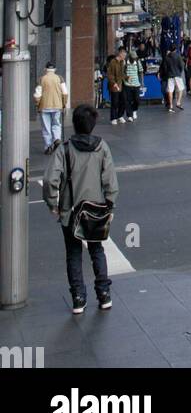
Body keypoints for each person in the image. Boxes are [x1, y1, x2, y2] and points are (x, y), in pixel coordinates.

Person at [43, 102, 119, 314]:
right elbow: (110, 180)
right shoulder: (102, 146)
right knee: (97, 250)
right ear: (93, 124)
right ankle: (104, 294)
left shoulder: (64, 149)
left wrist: (53, 204)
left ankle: (78, 297)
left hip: (71, 210)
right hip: (96, 209)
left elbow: (50, 180)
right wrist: (110, 205)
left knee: (73, 254)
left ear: (74, 124)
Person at [34, 60, 68, 153]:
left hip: (44, 107)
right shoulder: (60, 78)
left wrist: (37, 104)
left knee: (46, 127)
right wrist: (64, 104)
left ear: (45, 69)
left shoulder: (42, 79)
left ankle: (48, 146)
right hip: (57, 106)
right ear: (54, 69)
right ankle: (57, 139)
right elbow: (65, 93)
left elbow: (37, 94)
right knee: (56, 124)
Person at [106, 47, 127, 124]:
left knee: (124, 100)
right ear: (120, 54)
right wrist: (113, 83)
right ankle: (113, 118)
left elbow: (122, 74)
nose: (125, 57)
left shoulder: (122, 62)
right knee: (115, 102)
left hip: (121, 84)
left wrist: (127, 77)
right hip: (114, 85)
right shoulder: (113, 62)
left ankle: (120, 116)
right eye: (124, 55)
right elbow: (109, 74)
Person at [162, 44, 186, 111]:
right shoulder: (178, 56)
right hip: (177, 75)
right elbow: (181, 66)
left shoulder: (167, 57)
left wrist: (167, 73)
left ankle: (171, 105)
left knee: (170, 90)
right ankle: (178, 102)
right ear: (175, 49)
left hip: (170, 75)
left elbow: (165, 68)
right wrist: (179, 72)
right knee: (181, 89)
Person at [123, 47, 142, 120]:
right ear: (130, 57)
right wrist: (126, 77)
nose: (134, 59)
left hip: (136, 84)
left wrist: (142, 82)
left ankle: (134, 110)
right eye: (133, 58)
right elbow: (122, 72)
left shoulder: (137, 62)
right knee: (128, 100)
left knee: (137, 100)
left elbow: (141, 71)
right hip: (127, 84)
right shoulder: (125, 62)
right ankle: (129, 115)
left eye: (135, 58)